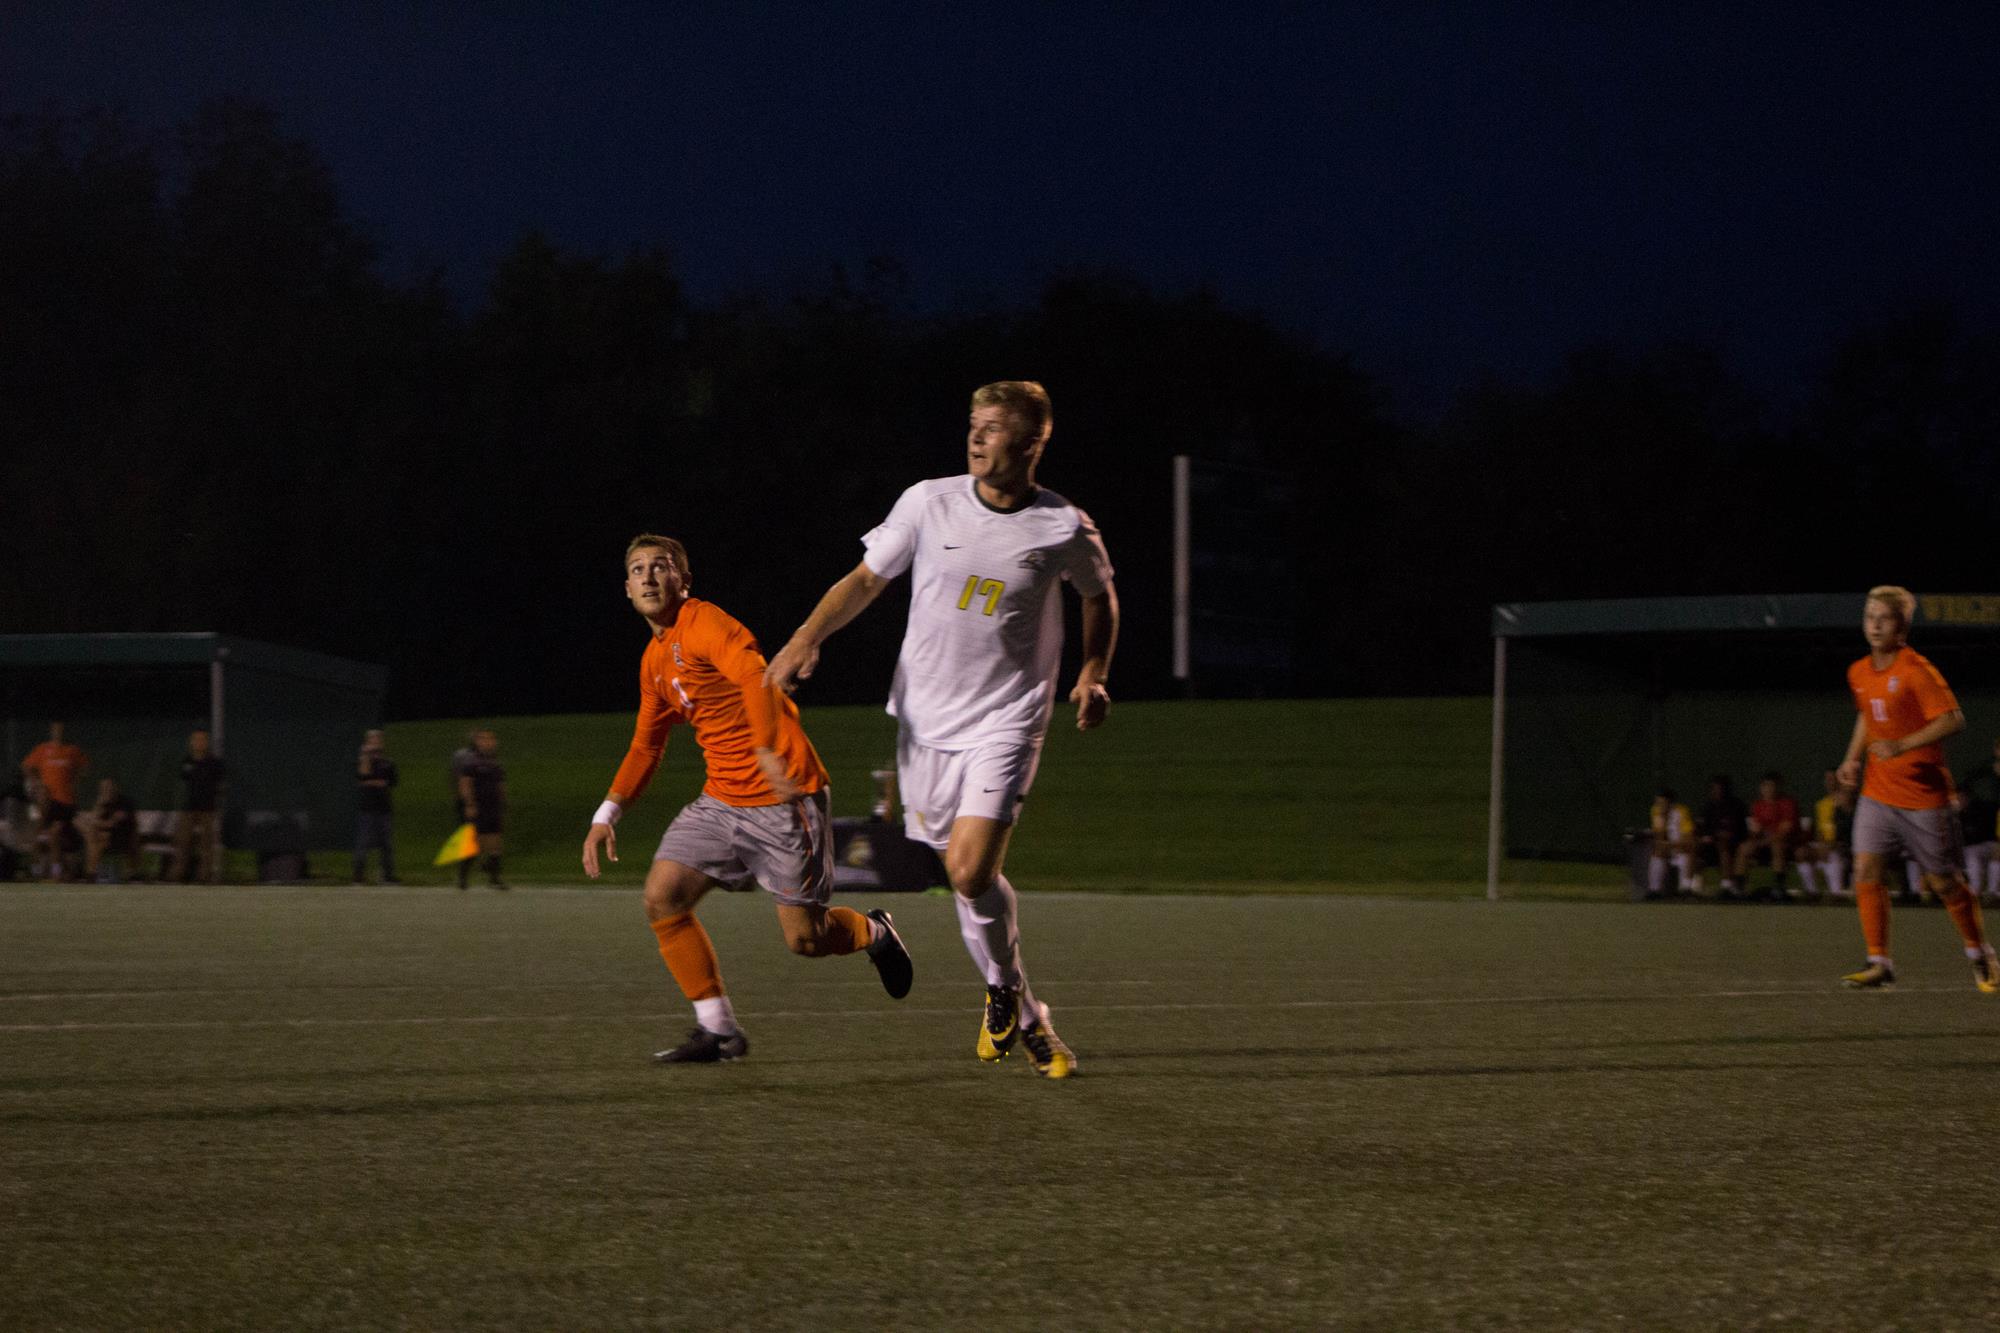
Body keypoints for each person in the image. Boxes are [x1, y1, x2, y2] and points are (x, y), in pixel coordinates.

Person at [766, 380, 1117, 1080]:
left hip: (1008, 720)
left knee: (969, 867)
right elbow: (865, 580)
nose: (976, 438)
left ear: (1030, 443)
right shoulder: (929, 501)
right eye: (972, 424)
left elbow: (1098, 596)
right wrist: (808, 636)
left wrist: (1092, 671)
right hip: (925, 721)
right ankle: (1020, 1004)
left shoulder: (1063, 526)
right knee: (955, 870)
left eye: (992, 428)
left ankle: (1004, 989)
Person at [581, 534, 913, 1064]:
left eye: (660, 567)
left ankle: (875, 932)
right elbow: (646, 744)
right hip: (722, 800)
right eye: (637, 569)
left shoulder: (705, 622)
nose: (647, 576)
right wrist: (607, 813)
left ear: (683, 581)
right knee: (663, 896)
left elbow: (753, 675)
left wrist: (764, 747)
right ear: (626, 589)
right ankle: (719, 1032)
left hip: (786, 797)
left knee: (806, 940)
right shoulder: (654, 661)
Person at [1835, 586, 1998, 990]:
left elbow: (1953, 720)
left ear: (1902, 627)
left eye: (1883, 618)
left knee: (1944, 883)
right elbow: (1866, 716)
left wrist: (1903, 744)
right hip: (1877, 792)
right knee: (1866, 868)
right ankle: (1879, 962)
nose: (1873, 624)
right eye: (1869, 616)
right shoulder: (1859, 670)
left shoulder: (1915, 670)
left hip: (1923, 797)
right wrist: (1852, 758)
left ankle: (1981, 956)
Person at [20, 720, 88, 881]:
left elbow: (84, 768)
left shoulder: (72, 750)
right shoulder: (43, 749)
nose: (59, 733)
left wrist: (74, 781)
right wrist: (37, 783)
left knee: (55, 833)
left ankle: (56, 873)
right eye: (56, 729)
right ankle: (36, 872)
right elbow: (26, 766)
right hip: (48, 803)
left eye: (62, 730)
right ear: (52, 731)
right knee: (38, 836)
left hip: (65, 803)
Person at [168, 729, 226, 883]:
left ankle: (204, 877)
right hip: (188, 808)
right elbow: (181, 784)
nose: (199, 743)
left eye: (202, 739)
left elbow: (221, 786)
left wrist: (216, 801)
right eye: (196, 739)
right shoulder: (186, 762)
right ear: (191, 742)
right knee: (182, 843)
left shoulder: (215, 763)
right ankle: (177, 876)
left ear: (207, 743)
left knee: (206, 844)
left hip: (207, 809)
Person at [1734, 771, 1801, 899]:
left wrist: (1764, 841)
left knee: (1777, 845)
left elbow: (1784, 832)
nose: (1769, 789)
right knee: (1744, 848)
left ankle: (1779, 888)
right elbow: (1755, 830)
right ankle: (1739, 888)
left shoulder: (1788, 803)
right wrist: (1754, 840)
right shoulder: (1758, 805)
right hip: (1763, 844)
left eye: (1772, 786)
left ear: (1778, 787)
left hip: (1787, 845)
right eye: (1765, 786)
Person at [454, 729, 507, 890]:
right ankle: (462, 877)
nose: (487, 742)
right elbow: (465, 784)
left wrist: (504, 804)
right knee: (474, 842)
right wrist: (469, 804)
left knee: (495, 843)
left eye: (490, 739)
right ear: (477, 743)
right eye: (483, 739)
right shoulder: (471, 762)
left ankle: (494, 878)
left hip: (493, 808)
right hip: (478, 807)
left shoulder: (495, 763)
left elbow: (500, 786)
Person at [1954, 737, 2000, 904]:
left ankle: (1994, 892)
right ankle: (1976, 894)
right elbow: (1969, 779)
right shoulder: (1986, 770)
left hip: (1992, 828)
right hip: (1985, 828)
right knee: (1973, 855)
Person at [1798, 768, 1855, 901]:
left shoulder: (1848, 804)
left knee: (1832, 854)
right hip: (1824, 844)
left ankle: (1837, 894)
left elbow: (1847, 832)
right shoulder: (1821, 804)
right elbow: (1819, 831)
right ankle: (1812, 893)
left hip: (1842, 846)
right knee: (1801, 853)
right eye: (1827, 779)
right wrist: (1821, 844)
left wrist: (1832, 844)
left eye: (1833, 779)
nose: (1830, 782)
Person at [354, 729, 399, 884]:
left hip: (384, 808)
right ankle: (358, 876)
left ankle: (387, 876)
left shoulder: (387, 762)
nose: (376, 742)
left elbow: (391, 782)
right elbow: (362, 777)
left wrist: (372, 783)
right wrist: (366, 755)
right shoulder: (363, 760)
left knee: (387, 844)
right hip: (367, 808)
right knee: (363, 843)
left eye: (378, 739)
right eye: (373, 740)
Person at [1696, 775, 1748, 897]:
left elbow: (1741, 829)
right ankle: (1689, 887)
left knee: (1723, 844)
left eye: (1720, 788)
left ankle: (1727, 886)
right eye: (1714, 789)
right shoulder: (1708, 806)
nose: (1717, 792)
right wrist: (1708, 835)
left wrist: (1726, 835)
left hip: (1734, 843)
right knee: (1693, 845)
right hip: (1711, 843)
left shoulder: (1737, 805)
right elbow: (1703, 828)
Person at [80, 777, 138, 882]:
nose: (108, 791)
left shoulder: (125, 803)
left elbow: (112, 824)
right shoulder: (102, 803)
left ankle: (91, 874)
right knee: (93, 837)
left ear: (116, 789)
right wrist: (99, 805)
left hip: (123, 838)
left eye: (110, 788)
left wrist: (97, 824)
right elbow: (94, 821)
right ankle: (92, 874)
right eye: (104, 789)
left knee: (96, 838)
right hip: (105, 837)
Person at [1646, 787, 1697, 898]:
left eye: (1662, 803)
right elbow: (1659, 838)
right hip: (1667, 849)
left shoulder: (1682, 812)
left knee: (1688, 851)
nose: (1659, 806)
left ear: (1670, 803)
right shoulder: (1656, 811)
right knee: (1658, 851)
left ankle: (1686, 889)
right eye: (1657, 803)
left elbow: (1688, 839)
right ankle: (1654, 891)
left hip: (1680, 848)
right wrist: (1663, 819)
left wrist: (1670, 845)